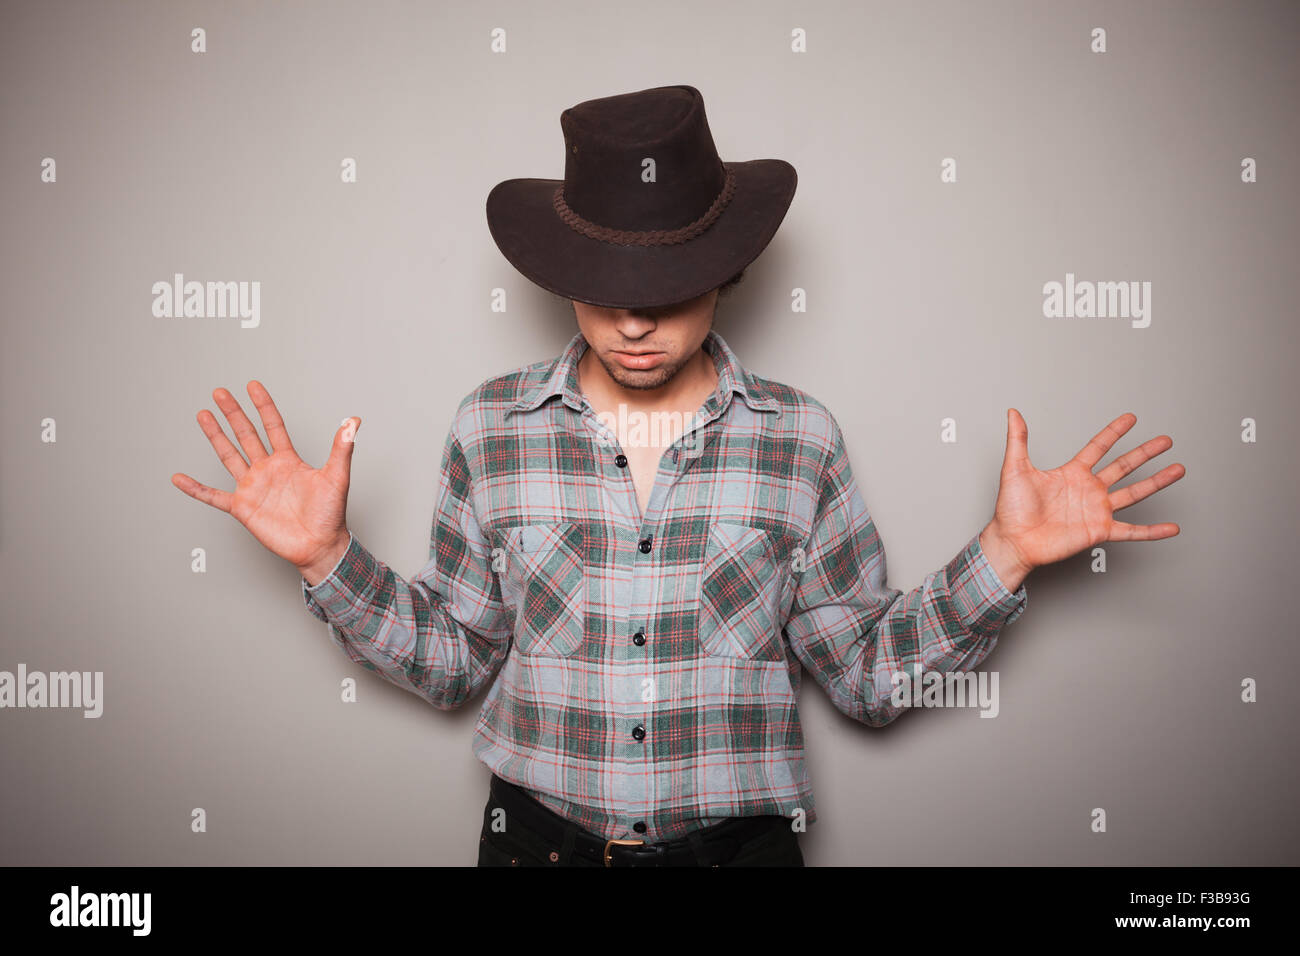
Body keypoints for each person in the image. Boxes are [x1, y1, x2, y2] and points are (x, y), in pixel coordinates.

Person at [170, 84, 1186, 867]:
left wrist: (1004, 555)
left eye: (667, 285)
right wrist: (330, 557)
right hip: (538, 846)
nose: (635, 320)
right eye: (608, 286)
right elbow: (453, 664)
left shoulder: (802, 440)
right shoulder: (489, 427)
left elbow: (872, 681)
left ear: (726, 270)